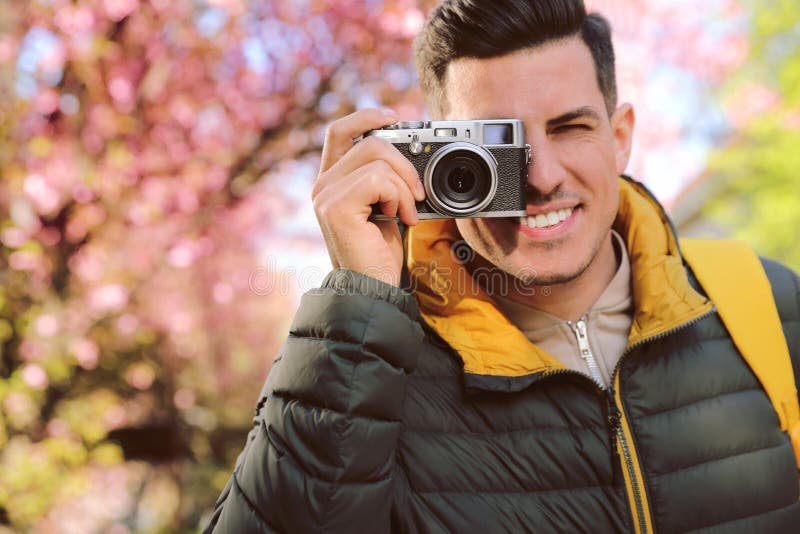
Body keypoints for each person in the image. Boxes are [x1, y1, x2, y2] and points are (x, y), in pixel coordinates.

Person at [205, 1, 800, 532]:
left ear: (620, 136)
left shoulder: (770, 307)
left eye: (570, 128)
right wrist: (357, 306)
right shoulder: (368, 370)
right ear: (440, 160)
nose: (540, 178)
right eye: (497, 148)